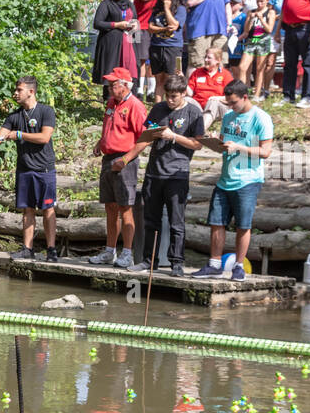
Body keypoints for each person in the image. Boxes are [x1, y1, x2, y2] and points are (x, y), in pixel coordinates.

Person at [0, 76, 58, 260]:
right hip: (24, 169)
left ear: (31, 92)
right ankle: (27, 249)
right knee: (27, 210)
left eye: (19, 90)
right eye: (16, 90)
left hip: (44, 170)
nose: (15, 93)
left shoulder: (46, 111)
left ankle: (51, 250)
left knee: (48, 209)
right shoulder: (14, 116)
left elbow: (44, 138)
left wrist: (18, 134)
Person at [192, 81, 273, 281]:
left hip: (248, 180)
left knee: (242, 225)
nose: (230, 107)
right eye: (227, 103)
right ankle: (214, 264)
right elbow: (224, 143)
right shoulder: (228, 116)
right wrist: (214, 141)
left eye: (233, 103)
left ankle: (238, 266)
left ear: (245, 97)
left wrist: (239, 148)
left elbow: (265, 152)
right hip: (225, 179)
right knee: (216, 222)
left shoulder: (260, 118)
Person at [140, 74, 204, 276]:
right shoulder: (158, 108)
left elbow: (198, 143)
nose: (170, 99)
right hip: (154, 172)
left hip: (178, 173)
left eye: (174, 96)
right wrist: (154, 132)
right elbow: (146, 131)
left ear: (184, 93)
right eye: (167, 95)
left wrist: (173, 136)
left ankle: (177, 262)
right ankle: (149, 261)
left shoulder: (193, 112)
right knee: (151, 220)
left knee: (177, 222)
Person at [88, 67, 147, 268]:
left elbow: (145, 138)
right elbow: (110, 128)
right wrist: (100, 142)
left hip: (125, 162)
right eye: (110, 84)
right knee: (110, 206)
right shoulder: (111, 103)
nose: (110, 88)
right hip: (108, 159)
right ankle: (109, 251)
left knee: (125, 206)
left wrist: (127, 159)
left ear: (125, 85)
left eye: (114, 84)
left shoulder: (135, 106)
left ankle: (127, 253)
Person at [133, 0, 171, 101]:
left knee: (154, 59)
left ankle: (151, 91)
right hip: (140, 25)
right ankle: (139, 89)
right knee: (140, 59)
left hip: (158, 24)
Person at [92, 0, 139, 101]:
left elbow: (135, 20)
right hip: (111, 45)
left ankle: (129, 101)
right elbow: (97, 23)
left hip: (128, 43)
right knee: (112, 71)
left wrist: (135, 28)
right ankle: (109, 103)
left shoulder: (129, 4)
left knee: (130, 71)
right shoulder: (106, 4)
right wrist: (117, 24)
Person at [187, 47, 236, 130]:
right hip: (199, 107)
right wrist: (183, 81)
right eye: (205, 57)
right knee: (186, 100)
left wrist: (217, 98)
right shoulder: (197, 72)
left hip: (218, 107)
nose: (206, 60)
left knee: (212, 102)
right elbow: (190, 94)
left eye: (209, 58)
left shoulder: (225, 74)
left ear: (218, 60)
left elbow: (232, 96)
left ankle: (200, 132)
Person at [241, 0, 277, 100]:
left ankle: (257, 93)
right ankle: (243, 92)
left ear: (267, 1)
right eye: (257, 1)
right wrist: (250, 19)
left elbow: (269, 29)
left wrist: (261, 18)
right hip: (251, 40)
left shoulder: (270, 12)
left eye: (262, 1)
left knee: (259, 68)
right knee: (242, 67)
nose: (259, 4)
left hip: (263, 40)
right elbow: (246, 30)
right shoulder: (251, 12)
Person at [148, 0, 186, 81]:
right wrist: (164, 29)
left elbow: (174, 25)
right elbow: (150, 28)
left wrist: (166, 9)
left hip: (174, 48)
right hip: (156, 47)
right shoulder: (156, 10)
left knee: (174, 80)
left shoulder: (180, 9)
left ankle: (174, 97)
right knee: (159, 81)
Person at [263, 0, 290, 98]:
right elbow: (269, 12)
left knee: (290, 62)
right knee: (270, 61)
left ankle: (290, 89)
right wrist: (276, 16)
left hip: (288, 31)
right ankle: (266, 89)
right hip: (274, 32)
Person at [226, 0, 247, 75]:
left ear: (240, 4)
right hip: (226, 47)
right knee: (226, 67)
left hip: (238, 47)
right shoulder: (226, 16)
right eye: (230, 3)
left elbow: (245, 32)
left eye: (234, 3)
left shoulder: (243, 17)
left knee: (235, 67)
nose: (231, 5)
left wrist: (236, 40)